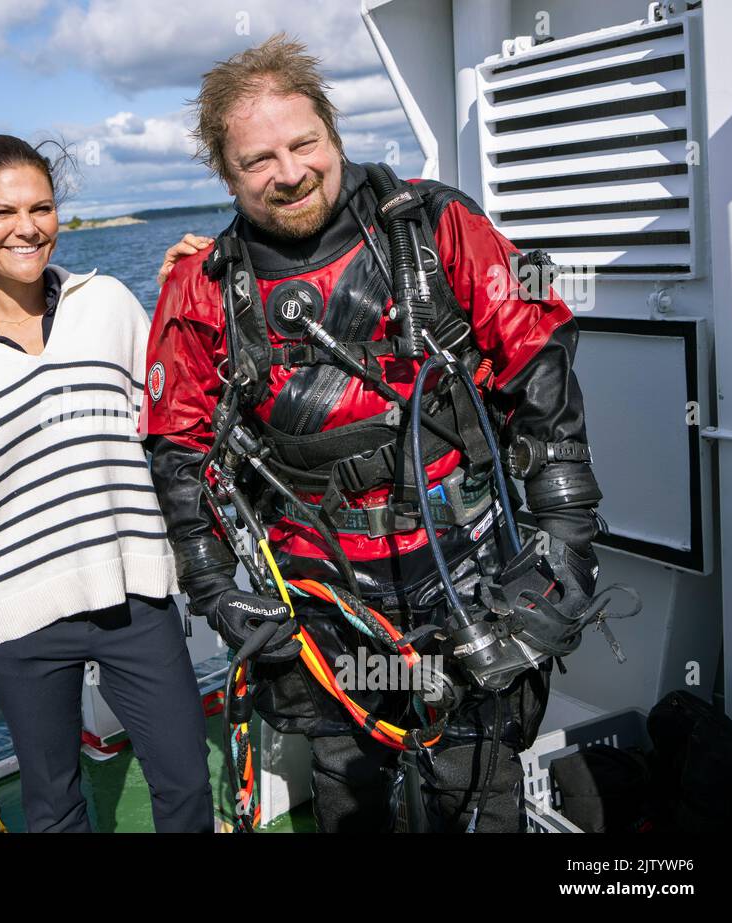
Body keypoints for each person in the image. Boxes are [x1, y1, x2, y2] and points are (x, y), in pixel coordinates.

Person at [147, 35, 608, 832]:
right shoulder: (199, 287)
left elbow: (538, 357)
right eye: (258, 160)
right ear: (226, 175)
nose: (289, 172)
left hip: (465, 569)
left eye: (304, 144)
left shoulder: (439, 223)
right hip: (320, 593)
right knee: (346, 780)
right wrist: (215, 590)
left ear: (334, 131)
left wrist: (565, 537)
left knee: (476, 778)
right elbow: (178, 452)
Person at [0, 135, 213, 832]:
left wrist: (182, 298)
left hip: (134, 593)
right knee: (52, 805)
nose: (27, 228)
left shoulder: (107, 302)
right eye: (2, 211)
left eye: (41, 208)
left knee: (186, 781)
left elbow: (171, 409)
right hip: (17, 618)